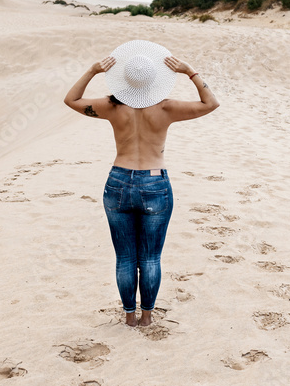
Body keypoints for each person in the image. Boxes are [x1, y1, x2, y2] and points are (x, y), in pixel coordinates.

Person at [63, 40, 220, 327]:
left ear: (124, 79)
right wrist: (189, 72)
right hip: (154, 183)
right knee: (149, 258)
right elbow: (211, 103)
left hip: (119, 181)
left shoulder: (111, 106)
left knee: (125, 258)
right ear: (155, 81)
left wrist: (93, 70)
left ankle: (129, 317)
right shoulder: (167, 108)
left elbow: (71, 100)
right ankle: (147, 316)